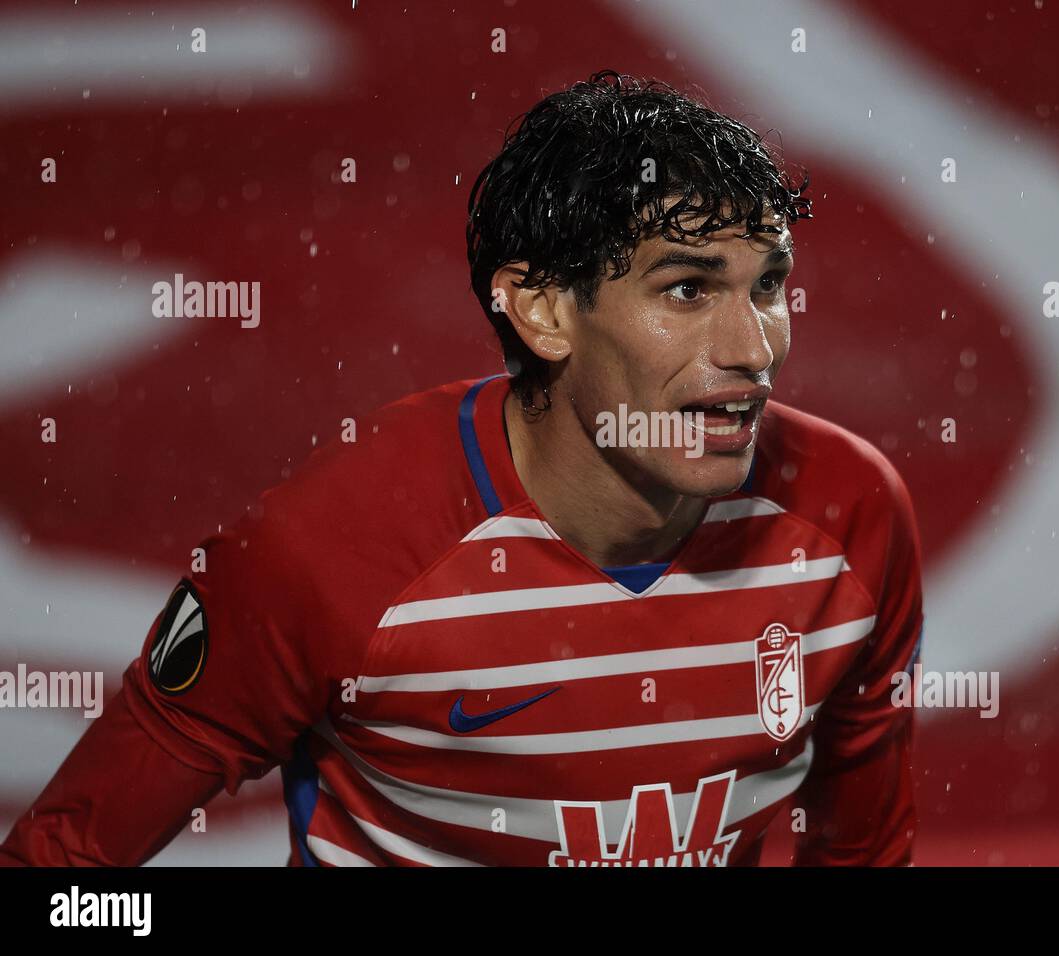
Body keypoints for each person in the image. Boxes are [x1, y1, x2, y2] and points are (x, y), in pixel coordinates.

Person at [1, 69, 923, 867]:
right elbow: (70, 865)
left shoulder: (853, 514)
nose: (752, 347)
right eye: (687, 289)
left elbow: (862, 849)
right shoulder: (325, 552)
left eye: (767, 284)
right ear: (542, 311)